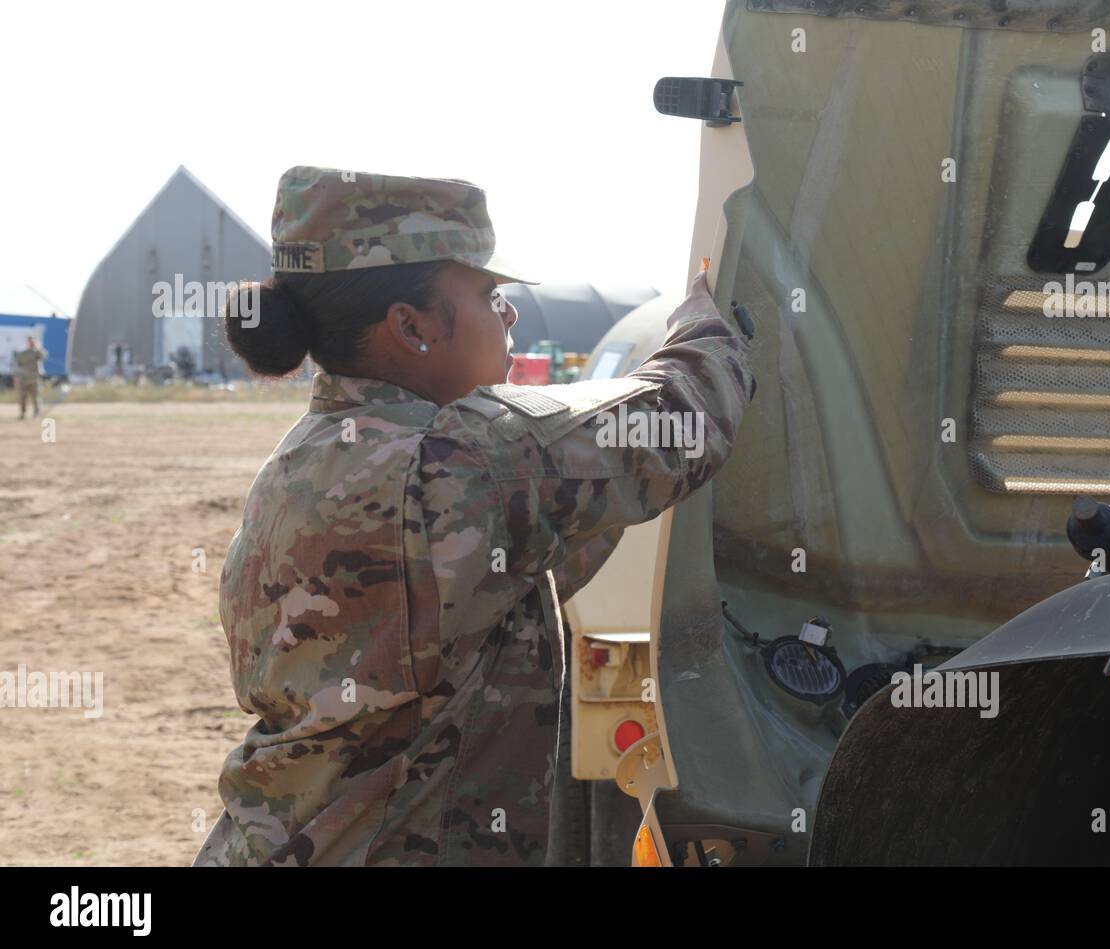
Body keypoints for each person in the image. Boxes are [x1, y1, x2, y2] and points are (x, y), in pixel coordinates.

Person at [193, 166, 756, 866]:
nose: (509, 314)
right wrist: (710, 320)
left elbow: (540, 543)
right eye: (490, 294)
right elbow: (681, 418)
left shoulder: (301, 464)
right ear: (412, 325)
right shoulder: (461, 462)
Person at [13, 336, 46, 419]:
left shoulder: (37, 352)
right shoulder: (23, 353)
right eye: (30, 341)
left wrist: (37, 347)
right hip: (23, 379)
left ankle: (37, 413)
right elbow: (17, 365)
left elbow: (43, 356)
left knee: (35, 397)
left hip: (34, 379)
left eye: (32, 341)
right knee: (22, 397)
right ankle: (22, 414)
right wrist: (16, 376)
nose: (31, 343)